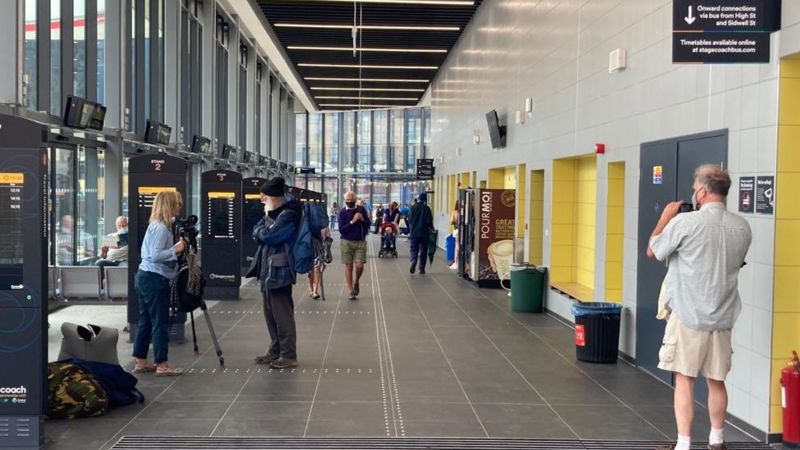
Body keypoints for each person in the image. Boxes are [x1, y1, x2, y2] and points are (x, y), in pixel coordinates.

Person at [647, 165, 752, 450]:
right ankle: (717, 440)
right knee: (717, 380)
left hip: (688, 315)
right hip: (723, 316)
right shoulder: (743, 227)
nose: (694, 193)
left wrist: (665, 218)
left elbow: (653, 250)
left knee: (685, 379)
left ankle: (684, 444)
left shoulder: (686, 223)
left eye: (695, 189)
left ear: (703, 191)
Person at [132, 191, 186, 377]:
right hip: (154, 278)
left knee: (145, 320)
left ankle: (140, 360)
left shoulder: (155, 226)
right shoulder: (162, 229)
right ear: (169, 205)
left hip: (143, 276)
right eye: (177, 204)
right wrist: (176, 249)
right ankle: (162, 364)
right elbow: (155, 255)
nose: (180, 207)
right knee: (159, 321)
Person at [251, 177, 302, 369]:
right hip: (269, 269)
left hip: (280, 271)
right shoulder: (273, 213)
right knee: (270, 313)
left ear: (274, 196)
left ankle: (288, 354)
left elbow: (270, 236)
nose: (261, 198)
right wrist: (264, 230)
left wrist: (263, 231)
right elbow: (256, 230)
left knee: (282, 313)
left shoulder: (289, 214)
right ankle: (275, 350)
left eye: (264, 195)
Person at [338, 191, 370, 300]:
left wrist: (362, 219)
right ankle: (351, 290)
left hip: (360, 241)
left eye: (351, 200)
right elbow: (342, 230)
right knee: (349, 266)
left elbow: (368, 225)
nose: (349, 202)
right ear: (345, 200)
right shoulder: (342, 212)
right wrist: (353, 221)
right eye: (347, 200)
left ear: (355, 200)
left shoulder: (361, 210)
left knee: (360, 265)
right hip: (346, 242)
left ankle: (356, 281)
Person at [408, 192, 434, 274]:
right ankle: (421, 268)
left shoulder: (412, 207)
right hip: (424, 233)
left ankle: (414, 260)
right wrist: (432, 229)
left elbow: (409, 220)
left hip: (414, 232)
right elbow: (429, 221)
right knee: (423, 250)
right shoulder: (427, 208)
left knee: (414, 248)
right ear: (425, 200)